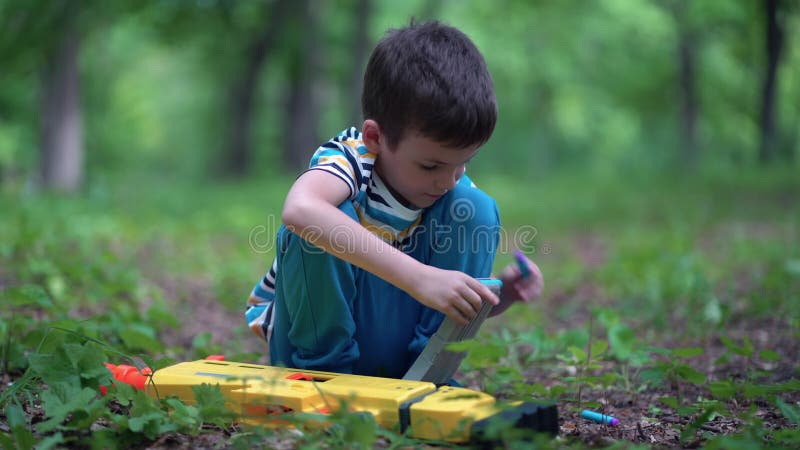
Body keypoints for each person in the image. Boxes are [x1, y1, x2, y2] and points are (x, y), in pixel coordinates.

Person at [245, 20, 543, 378]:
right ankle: (325, 376)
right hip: (312, 347)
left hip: (400, 354)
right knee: (318, 224)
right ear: (375, 137)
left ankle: (429, 372)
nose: (448, 180)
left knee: (475, 209)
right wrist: (420, 278)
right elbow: (300, 210)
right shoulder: (352, 160)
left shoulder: (449, 191)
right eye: (431, 164)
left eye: (463, 163)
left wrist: (497, 295)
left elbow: (439, 292)